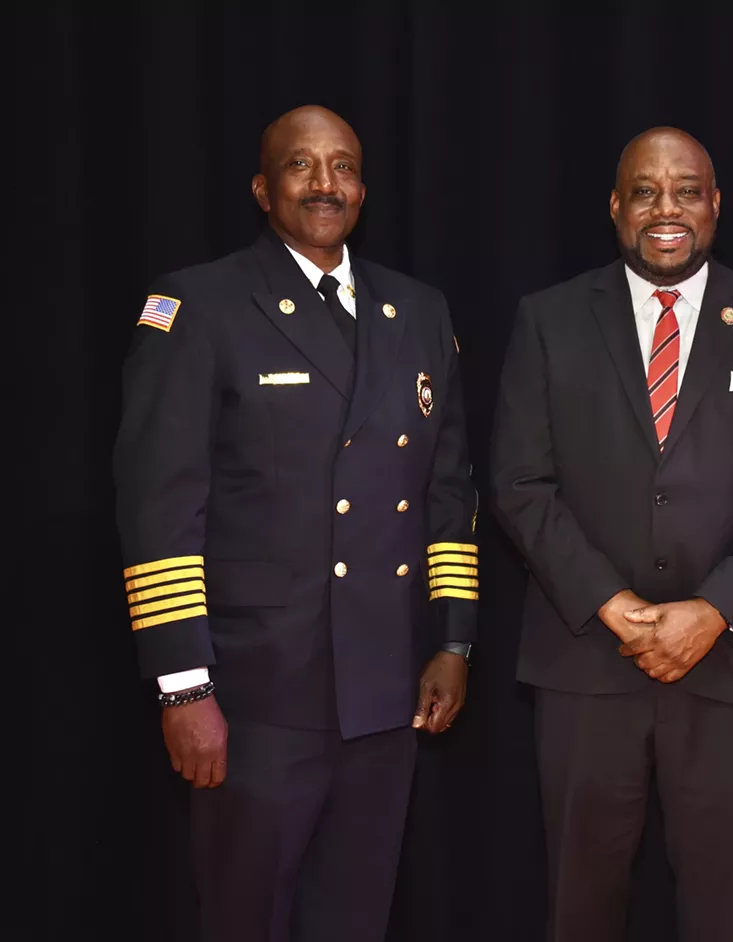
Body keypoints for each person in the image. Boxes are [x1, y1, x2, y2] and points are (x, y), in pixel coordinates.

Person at [113, 105, 478, 942]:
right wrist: (185, 687)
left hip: (385, 691)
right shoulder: (196, 304)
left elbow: (447, 492)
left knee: (354, 919)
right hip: (256, 694)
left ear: (363, 187)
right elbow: (159, 504)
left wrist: (452, 642)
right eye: (302, 167)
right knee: (246, 919)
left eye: (343, 167)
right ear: (262, 187)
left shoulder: (418, 311)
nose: (326, 184)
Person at [491, 127, 733, 942]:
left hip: (730, 668)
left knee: (722, 911)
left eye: (686, 190)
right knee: (580, 906)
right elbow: (518, 483)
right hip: (585, 663)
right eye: (645, 191)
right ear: (616, 208)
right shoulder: (549, 320)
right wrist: (612, 604)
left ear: (716, 205)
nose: (666, 208)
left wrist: (713, 611)